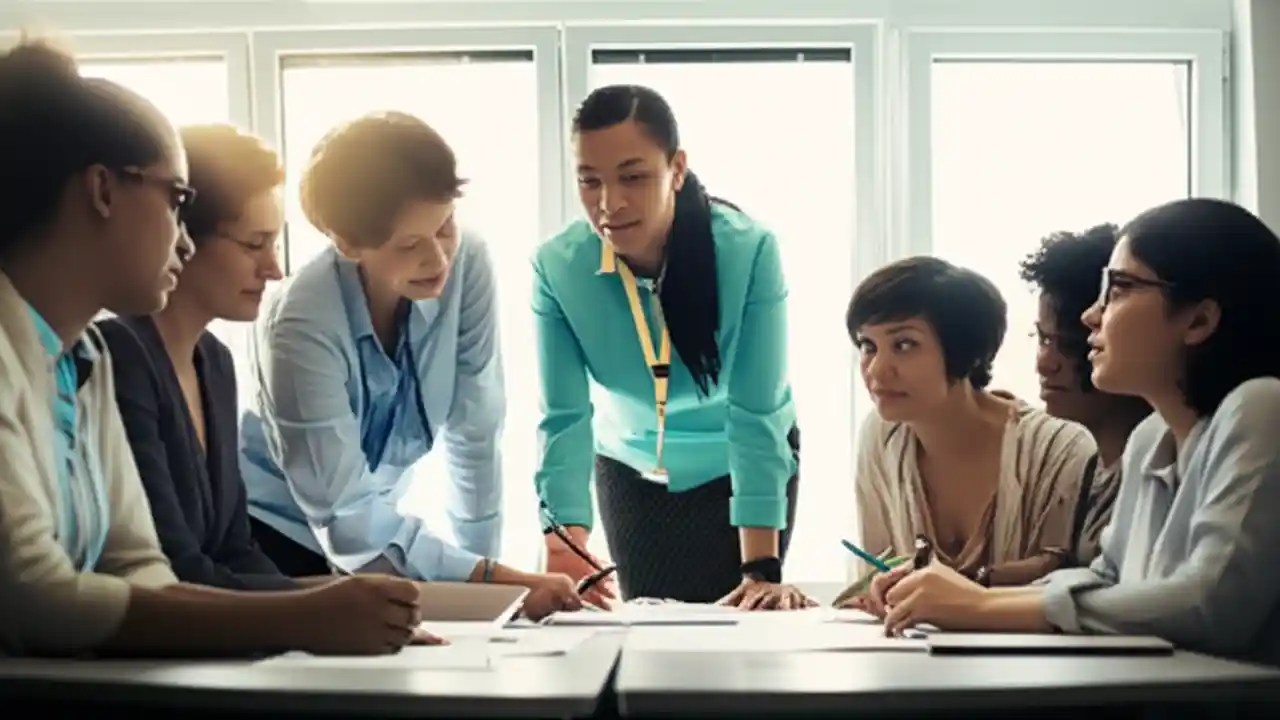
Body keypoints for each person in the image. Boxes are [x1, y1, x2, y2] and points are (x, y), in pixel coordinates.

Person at [0, 39, 425, 657]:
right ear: (102, 191)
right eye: (177, 200)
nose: (185, 239)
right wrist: (303, 620)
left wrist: (335, 610)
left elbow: (139, 567)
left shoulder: (85, 356)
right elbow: (34, 596)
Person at [870, 198, 1280, 665]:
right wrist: (949, 592)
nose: (1091, 313)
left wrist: (979, 606)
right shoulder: (1150, 439)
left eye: (1120, 288)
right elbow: (1107, 580)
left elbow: (1211, 605)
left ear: (1200, 320)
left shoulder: (1263, 406)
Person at [238, 111, 579, 617]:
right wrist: (497, 581)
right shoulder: (300, 324)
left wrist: (493, 589)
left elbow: (475, 430)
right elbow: (344, 517)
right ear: (347, 243)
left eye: (445, 228)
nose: (439, 260)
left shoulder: (469, 264)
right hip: (276, 540)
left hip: (376, 538)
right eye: (409, 245)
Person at [533, 84, 810, 609]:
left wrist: (760, 569)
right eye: (589, 181)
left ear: (677, 169)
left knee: (743, 624)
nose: (608, 204)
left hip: (740, 463)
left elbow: (757, 411)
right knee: (647, 634)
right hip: (631, 464)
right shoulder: (557, 267)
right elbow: (564, 417)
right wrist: (564, 545)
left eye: (633, 177)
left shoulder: (749, 251)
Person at [98, 124, 295, 590]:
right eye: (254, 244)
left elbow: (235, 550)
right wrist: (324, 611)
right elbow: (174, 567)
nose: (274, 268)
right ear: (181, 234)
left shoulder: (216, 363)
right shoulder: (120, 355)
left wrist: (341, 601)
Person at [845, 257, 1096, 605]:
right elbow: (873, 577)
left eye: (904, 345)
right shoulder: (881, 436)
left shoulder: (1058, 448)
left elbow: (1072, 590)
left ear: (967, 350)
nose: (876, 369)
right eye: (867, 346)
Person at [1019, 224, 1150, 565]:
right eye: (1043, 339)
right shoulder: (1091, 466)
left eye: (1069, 344)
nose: (1045, 365)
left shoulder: (1158, 465)